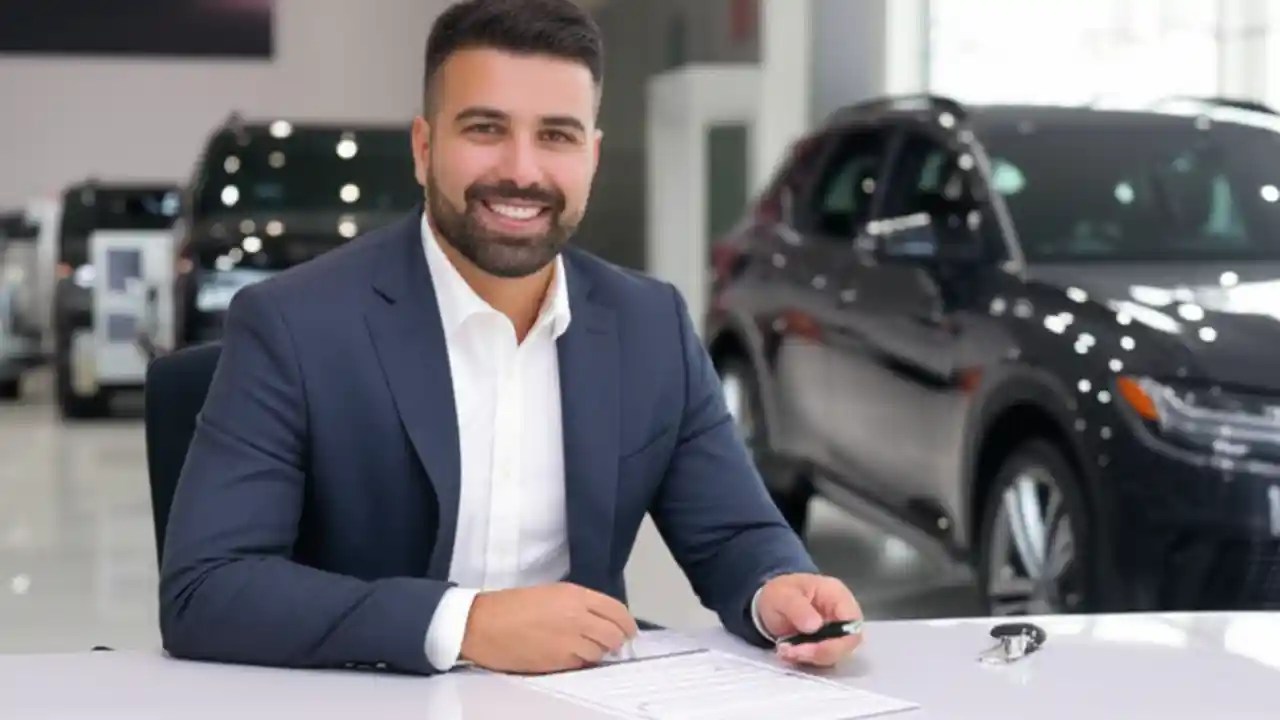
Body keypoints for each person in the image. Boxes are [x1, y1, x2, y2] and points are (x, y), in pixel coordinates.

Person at [159, 0, 863, 676]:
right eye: (485, 129)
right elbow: (207, 589)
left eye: (555, 135)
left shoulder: (650, 325)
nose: (522, 171)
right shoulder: (295, 325)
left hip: (579, 694)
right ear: (424, 147)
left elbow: (735, 535)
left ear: (590, 155)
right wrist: (466, 624)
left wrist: (781, 592)